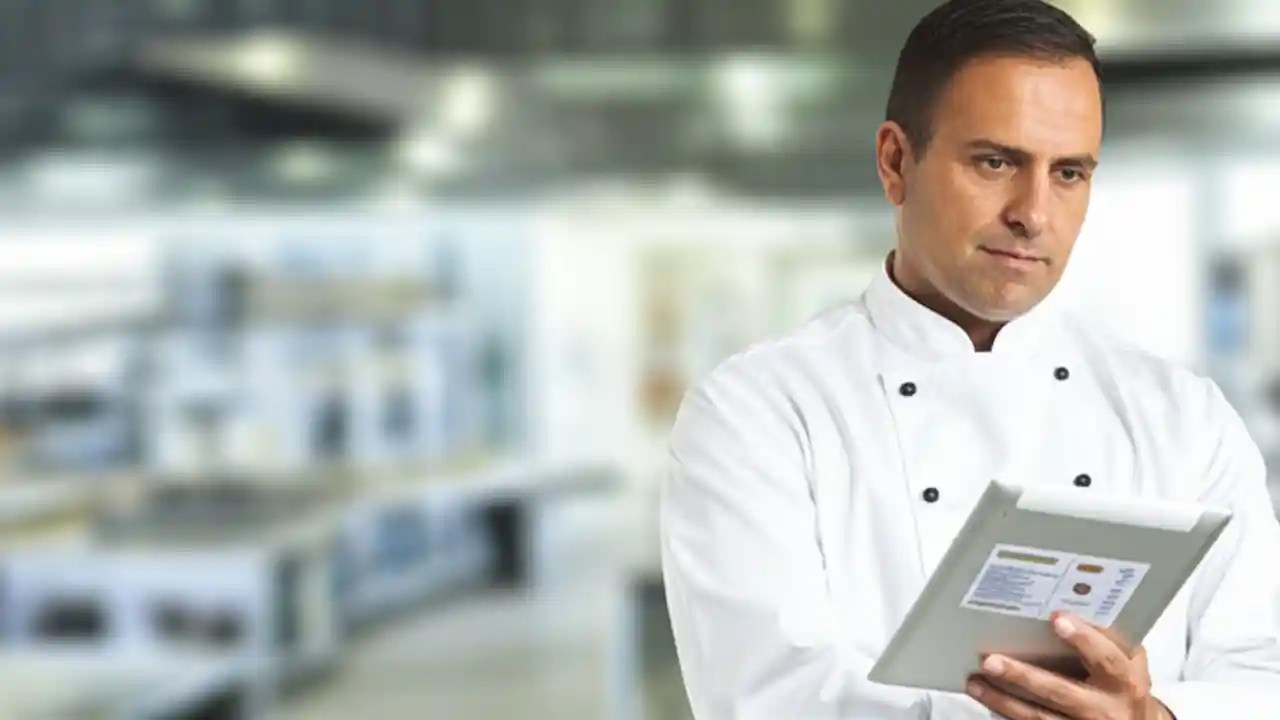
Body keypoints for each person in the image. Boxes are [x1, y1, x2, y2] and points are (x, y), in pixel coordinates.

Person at [659, 1, 1280, 718]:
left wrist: (1152, 716)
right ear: (897, 161)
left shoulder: (1183, 419)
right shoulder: (759, 412)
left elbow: (1265, 671)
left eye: (1070, 173)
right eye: (996, 161)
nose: (1034, 212)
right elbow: (768, 699)